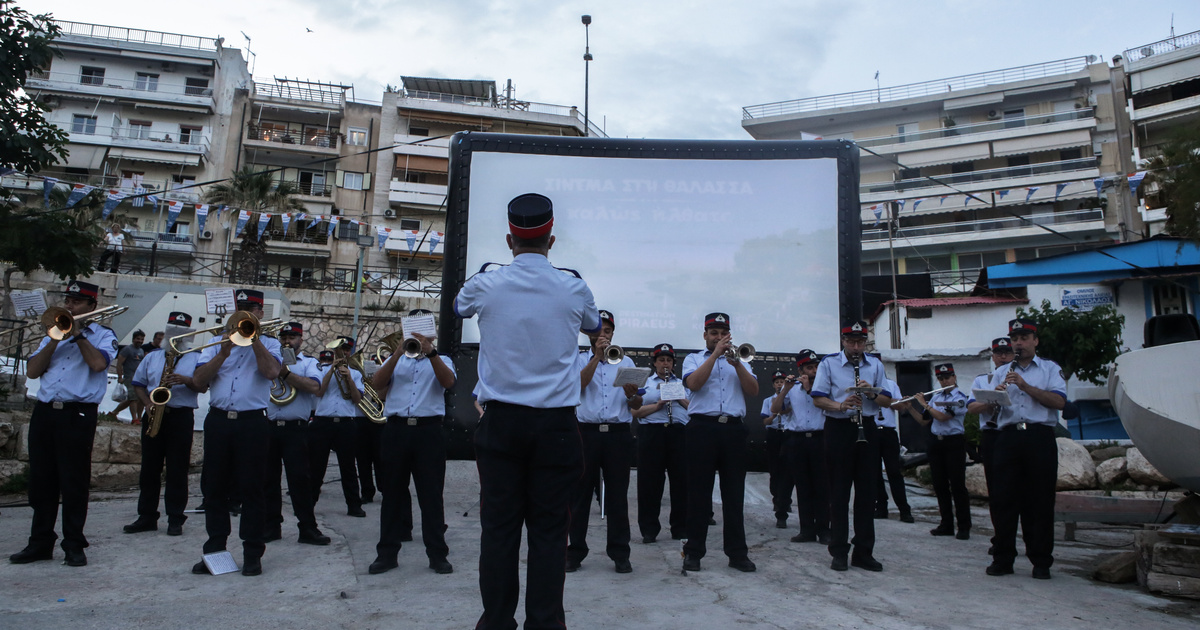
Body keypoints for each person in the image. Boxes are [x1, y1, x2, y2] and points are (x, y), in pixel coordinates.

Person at [453, 192, 600, 630]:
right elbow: (593, 325)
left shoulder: (487, 282)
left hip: (502, 423)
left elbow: (459, 306)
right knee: (550, 533)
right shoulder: (573, 286)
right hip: (556, 426)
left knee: (499, 530)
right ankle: (545, 623)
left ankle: (497, 622)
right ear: (551, 240)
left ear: (509, 240)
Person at [10, 281, 117, 567]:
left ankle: (74, 544)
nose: (70, 306)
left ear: (92, 306)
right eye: (68, 300)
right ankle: (40, 542)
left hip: (77, 414)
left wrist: (78, 334)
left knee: (73, 482)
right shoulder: (52, 334)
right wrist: (56, 339)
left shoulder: (104, 335)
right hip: (46, 412)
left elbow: (98, 365)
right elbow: (33, 372)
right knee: (41, 480)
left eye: (77, 302)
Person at [189, 289, 283, 577]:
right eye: (240, 308)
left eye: (250, 308)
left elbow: (271, 373)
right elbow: (198, 381)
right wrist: (223, 352)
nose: (244, 313)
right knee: (214, 488)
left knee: (252, 489)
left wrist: (254, 340)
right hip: (219, 421)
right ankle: (215, 552)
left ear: (260, 313)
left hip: (252, 423)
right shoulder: (215, 342)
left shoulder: (270, 343)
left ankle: (252, 554)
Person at [369, 310, 456, 576]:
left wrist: (431, 353)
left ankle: (437, 555)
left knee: (431, 496)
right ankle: (387, 554)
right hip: (396, 430)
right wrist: (397, 353)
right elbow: (377, 384)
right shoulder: (396, 359)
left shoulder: (443, 359)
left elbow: (448, 382)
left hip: (428, 432)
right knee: (392, 494)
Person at [986, 319, 1066, 580]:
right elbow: (988, 406)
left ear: (1035, 340)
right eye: (1015, 339)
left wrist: (1024, 386)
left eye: (1024, 338)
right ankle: (1003, 558)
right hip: (1008, 437)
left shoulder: (1050, 369)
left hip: (1038, 436)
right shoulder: (1001, 372)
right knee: (1003, 500)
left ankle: (1041, 561)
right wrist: (995, 397)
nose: (1018, 343)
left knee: (1040, 500)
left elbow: (1058, 402)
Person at [811, 320, 894, 572]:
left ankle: (863, 552)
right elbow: (818, 399)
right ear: (843, 341)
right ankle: (838, 551)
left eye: (860, 342)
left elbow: (887, 401)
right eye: (851, 342)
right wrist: (841, 405)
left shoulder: (875, 364)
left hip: (867, 427)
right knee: (839, 492)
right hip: (838, 428)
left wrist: (871, 393)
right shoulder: (829, 364)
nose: (856, 347)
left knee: (867, 493)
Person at [680, 312, 759, 573]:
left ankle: (737, 554)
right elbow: (694, 384)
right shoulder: (694, 359)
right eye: (713, 333)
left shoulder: (741, 360)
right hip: (702, 428)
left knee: (734, 495)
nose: (718, 337)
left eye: (723, 333)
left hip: (733, 430)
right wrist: (715, 356)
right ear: (705, 335)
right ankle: (693, 552)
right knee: (698, 494)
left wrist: (737, 364)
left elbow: (753, 391)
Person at [568, 310, 641, 574]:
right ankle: (575, 551)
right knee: (579, 495)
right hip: (585, 433)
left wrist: (632, 395)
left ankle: (620, 553)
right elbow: (576, 387)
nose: (603, 334)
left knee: (618, 496)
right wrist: (597, 358)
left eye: (607, 331)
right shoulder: (577, 359)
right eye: (598, 330)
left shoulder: (626, 360)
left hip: (618, 434)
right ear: (589, 333)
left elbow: (637, 404)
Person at [124, 312, 202, 537]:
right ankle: (146, 516)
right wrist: (148, 403)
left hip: (180, 415)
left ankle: (175, 518)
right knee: (149, 468)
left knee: (178, 469)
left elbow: (202, 386)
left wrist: (186, 380)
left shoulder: (195, 357)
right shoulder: (153, 356)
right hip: (154, 413)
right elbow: (138, 383)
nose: (176, 336)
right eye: (172, 331)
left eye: (181, 332)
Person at [264, 321, 330, 546]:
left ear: (301, 339)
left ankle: (307, 528)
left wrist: (284, 373)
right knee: (268, 480)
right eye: (284, 338)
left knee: (300, 480)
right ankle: (271, 526)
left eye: (292, 337)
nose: (287, 341)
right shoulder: (271, 361)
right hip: (270, 426)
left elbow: (315, 387)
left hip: (296, 429)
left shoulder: (309, 363)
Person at [906, 363, 971, 540]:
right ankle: (946, 524)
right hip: (937, 443)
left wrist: (925, 404)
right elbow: (924, 421)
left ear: (954, 377)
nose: (944, 381)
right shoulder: (936, 397)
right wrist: (910, 407)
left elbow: (943, 417)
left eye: (947, 377)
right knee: (940, 485)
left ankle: (964, 526)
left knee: (957, 485)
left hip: (954, 443)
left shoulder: (959, 397)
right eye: (941, 378)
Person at [772, 349, 830, 545]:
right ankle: (806, 530)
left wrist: (809, 389)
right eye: (809, 368)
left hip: (820, 438)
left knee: (822, 486)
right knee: (802, 486)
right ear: (800, 370)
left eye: (816, 367)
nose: (814, 371)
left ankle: (824, 529)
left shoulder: (825, 386)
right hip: (797, 440)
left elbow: (824, 405)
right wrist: (785, 390)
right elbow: (775, 409)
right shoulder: (793, 388)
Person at [633, 343, 689, 543]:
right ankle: (649, 530)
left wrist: (679, 397)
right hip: (652, 433)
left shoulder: (684, 383)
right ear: (654, 363)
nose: (665, 364)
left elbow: (695, 409)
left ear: (673, 364)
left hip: (679, 432)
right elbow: (635, 412)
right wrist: (658, 405)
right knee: (649, 483)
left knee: (682, 482)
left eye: (669, 360)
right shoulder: (645, 384)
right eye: (661, 360)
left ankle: (680, 528)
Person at [967, 337, 1015, 555]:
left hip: (1013, 434)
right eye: (999, 353)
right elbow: (972, 408)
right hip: (992, 436)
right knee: (996, 491)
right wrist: (992, 400)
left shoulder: (1019, 377)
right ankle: (1000, 538)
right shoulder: (982, 380)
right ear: (993, 356)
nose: (1003, 357)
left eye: (1007, 353)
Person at [310, 336, 366, 517]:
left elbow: (357, 399)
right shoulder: (321, 369)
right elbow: (319, 391)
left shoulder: (355, 373)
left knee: (348, 467)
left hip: (346, 423)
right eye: (340, 350)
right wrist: (332, 369)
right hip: (322, 422)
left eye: (346, 350)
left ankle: (354, 505)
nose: (343, 353)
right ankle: (308, 504)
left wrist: (349, 378)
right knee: (316, 466)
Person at [876, 376, 914, 523]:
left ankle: (904, 510)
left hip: (888, 431)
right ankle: (881, 507)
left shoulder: (890, 384)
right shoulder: (863, 386)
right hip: (871, 430)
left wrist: (885, 400)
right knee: (874, 472)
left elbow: (900, 406)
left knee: (894, 471)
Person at [761, 369, 794, 529]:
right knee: (775, 469)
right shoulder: (768, 401)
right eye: (777, 382)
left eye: (782, 382)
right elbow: (765, 421)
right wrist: (775, 414)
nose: (780, 384)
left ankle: (785, 502)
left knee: (788, 470)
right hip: (774, 433)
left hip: (787, 433)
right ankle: (777, 498)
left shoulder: (792, 398)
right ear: (773, 385)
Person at [113, 330, 146, 424]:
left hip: (138, 378)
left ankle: (113, 413)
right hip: (129, 377)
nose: (140, 341)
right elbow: (119, 364)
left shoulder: (141, 351)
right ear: (133, 339)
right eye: (138, 339)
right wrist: (120, 377)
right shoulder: (127, 349)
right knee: (133, 399)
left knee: (131, 399)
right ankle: (135, 419)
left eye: (142, 339)